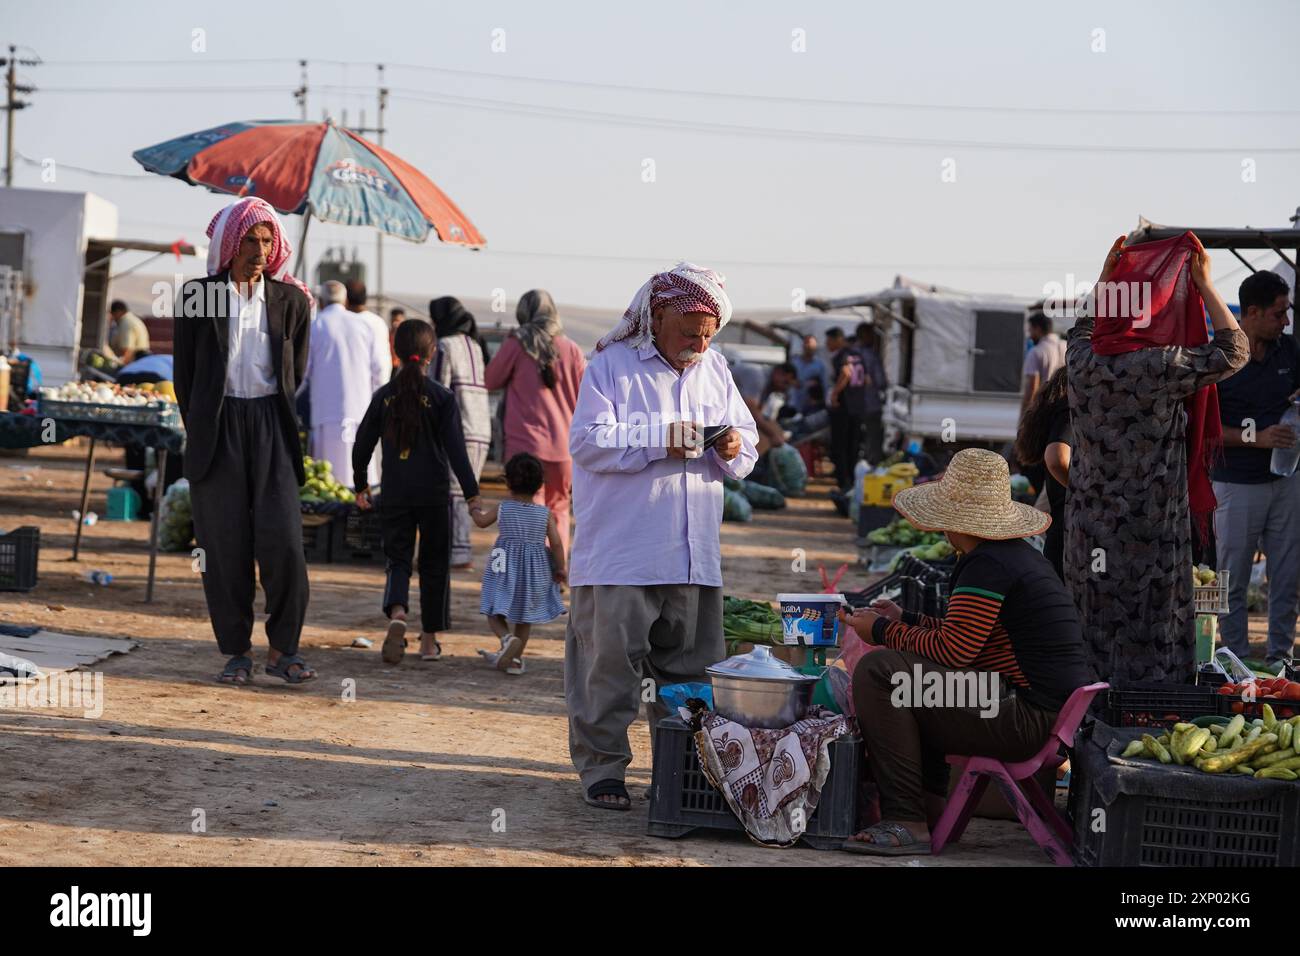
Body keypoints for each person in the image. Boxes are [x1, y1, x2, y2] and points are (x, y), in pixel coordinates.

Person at [565, 261, 759, 810]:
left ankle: (678, 778)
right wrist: (661, 439)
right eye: (688, 333)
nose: (697, 344)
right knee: (610, 671)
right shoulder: (612, 365)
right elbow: (588, 442)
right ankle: (603, 772)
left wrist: (730, 448)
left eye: (706, 334)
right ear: (657, 317)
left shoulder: (715, 368)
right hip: (622, 554)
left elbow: (746, 444)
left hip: (694, 556)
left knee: (690, 680)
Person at [838, 448, 1091, 856]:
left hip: (1025, 717)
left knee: (880, 672)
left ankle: (907, 819)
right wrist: (908, 619)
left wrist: (882, 630)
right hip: (1043, 712)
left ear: (954, 523)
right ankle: (929, 805)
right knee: (914, 677)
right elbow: (968, 638)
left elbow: (955, 651)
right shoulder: (1012, 556)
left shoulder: (988, 565)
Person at [1065, 234, 1248, 687]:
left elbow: (1081, 329)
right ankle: (1144, 718)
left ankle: (1085, 721)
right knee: (1149, 633)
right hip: (1148, 531)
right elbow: (1234, 350)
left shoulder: (1081, 360)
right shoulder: (1160, 365)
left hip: (1087, 527)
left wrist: (1108, 277)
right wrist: (1204, 283)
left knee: (1093, 627)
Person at [173, 196, 316, 686]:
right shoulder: (200, 295)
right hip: (218, 428)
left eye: (267, 239)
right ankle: (236, 652)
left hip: (272, 427)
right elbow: (185, 377)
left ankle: (284, 650)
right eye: (251, 240)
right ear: (230, 245)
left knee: (285, 543)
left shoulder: (291, 300)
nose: (260, 249)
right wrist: (204, 430)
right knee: (224, 546)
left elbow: (294, 372)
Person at [351, 319, 482, 665]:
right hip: (433, 492)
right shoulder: (442, 397)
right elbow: (457, 451)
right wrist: (472, 495)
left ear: (395, 351)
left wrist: (360, 483)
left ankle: (397, 613)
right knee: (435, 564)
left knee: (397, 559)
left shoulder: (384, 396)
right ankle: (428, 642)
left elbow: (362, 443)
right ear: (431, 353)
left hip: (395, 491)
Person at [1213, 269, 1300, 667]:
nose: (1285, 321)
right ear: (1252, 312)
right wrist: (1256, 438)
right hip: (1235, 484)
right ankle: (1234, 661)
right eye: (1279, 313)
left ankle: (1281, 659)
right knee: (1231, 581)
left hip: (1286, 480)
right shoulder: (1222, 357)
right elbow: (1205, 430)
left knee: (1286, 578)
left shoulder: (1289, 352)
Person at [483, 289, 586, 555]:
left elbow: (490, 380)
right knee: (560, 508)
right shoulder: (572, 349)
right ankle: (558, 571)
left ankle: (535, 573)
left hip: (524, 446)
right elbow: (586, 397)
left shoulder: (517, 344)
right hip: (565, 448)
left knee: (530, 508)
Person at [471, 452, 567, 675]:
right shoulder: (544, 514)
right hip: (534, 573)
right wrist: (560, 568)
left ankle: (506, 639)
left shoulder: (503, 507)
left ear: (506, 482)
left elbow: (481, 522)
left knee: (494, 610)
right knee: (525, 619)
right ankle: (514, 660)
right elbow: (557, 544)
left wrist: (474, 507)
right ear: (540, 485)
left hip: (503, 567)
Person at [429, 296, 492, 569]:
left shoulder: (445, 345)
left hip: (460, 427)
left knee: (454, 492)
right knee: (468, 490)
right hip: (481, 428)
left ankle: (458, 553)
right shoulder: (474, 345)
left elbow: (438, 389)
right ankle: (460, 548)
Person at [306, 280, 389, 486]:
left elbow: (303, 372)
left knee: (328, 481)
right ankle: (360, 515)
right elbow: (380, 370)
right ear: (344, 300)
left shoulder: (316, 325)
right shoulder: (364, 325)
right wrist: (377, 404)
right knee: (362, 475)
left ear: (321, 302)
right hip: (362, 411)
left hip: (326, 414)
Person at [1014, 366, 1071, 581]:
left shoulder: (1052, 415)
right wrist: (1083, 493)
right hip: (1067, 535)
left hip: (1057, 533)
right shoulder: (1070, 409)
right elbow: (1056, 458)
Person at [825, 327, 866, 489]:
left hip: (844, 407)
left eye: (829, 341)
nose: (827, 345)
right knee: (853, 446)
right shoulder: (858, 355)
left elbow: (846, 373)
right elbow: (867, 379)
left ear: (838, 340)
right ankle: (852, 482)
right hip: (857, 407)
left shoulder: (842, 355)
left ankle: (843, 483)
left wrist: (835, 394)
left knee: (839, 446)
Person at [854, 322, 889, 464]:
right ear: (865, 335)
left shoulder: (851, 353)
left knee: (855, 437)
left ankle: (856, 467)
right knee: (873, 437)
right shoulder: (871, 355)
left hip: (854, 405)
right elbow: (880, 381)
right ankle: (871, 465)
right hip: (871, 404)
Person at [1020, 312, 1066, 416]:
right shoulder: (1066, 346)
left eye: (1030, 330)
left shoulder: (1036, 352)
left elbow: (1032, 387)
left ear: (1038, 329)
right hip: (1065, 408)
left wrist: (1024, 415)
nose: (1029, 334)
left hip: (1044, 409)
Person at [790, 334, 831, 415]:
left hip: (813, 407)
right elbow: (789, 380)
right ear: (803, 346)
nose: (809, 347)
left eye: (811, 345)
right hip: (794, 404)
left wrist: (824, 403)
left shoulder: (820, 365)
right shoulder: (794, 363)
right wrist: (799, 383)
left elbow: (825, 385)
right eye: (807, 344)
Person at [107, 300, 150, 364]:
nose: (113, 318)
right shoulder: (132, 319)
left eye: (113, 314)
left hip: (135, 361)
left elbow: (127, 350)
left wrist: (120, 367)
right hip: (142, 359)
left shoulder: (125, 323)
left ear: (118, 312)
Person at [388, 307, 407, 371]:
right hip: (389, 366)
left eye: (397, 320)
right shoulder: (386, 334)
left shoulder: (408, 336)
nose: (394, 323)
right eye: (393, 320)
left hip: (401, 367)